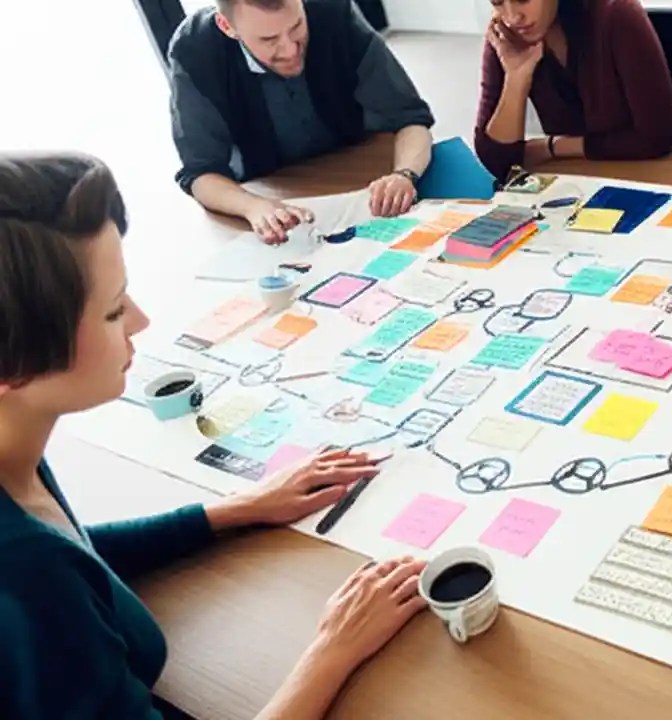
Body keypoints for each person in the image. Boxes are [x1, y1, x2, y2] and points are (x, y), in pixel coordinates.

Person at [0, 153, 427, 718]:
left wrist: (233, 510)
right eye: (111, 311)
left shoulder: (16, 454)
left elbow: (79, 560)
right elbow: (47, 580)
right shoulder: (24, 571)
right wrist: (335, 647)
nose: (141, 321)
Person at [168, 0, 437, 244]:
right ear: (227, 26)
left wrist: (404, 174)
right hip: (266, 186)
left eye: (296, 25)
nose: (290, 49)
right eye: (269, 39)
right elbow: (200, 174)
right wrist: (253, 207)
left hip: (355, 171)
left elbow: (410, 118)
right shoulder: (195, 49)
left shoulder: (334, 10)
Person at [476, 0, 672, 181]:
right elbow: (497, 162)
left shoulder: (616, 13)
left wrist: (552, 147)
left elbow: (656, 137)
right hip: (585, 178)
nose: (513, 17)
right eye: (498, 2)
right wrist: (516, 78)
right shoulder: (505, 36)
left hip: (660, 172)